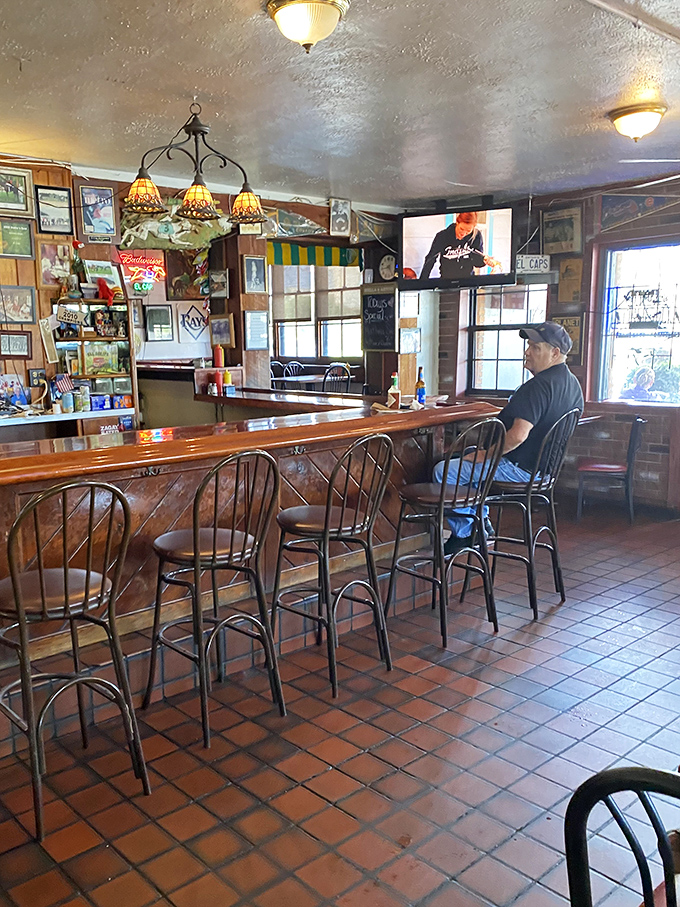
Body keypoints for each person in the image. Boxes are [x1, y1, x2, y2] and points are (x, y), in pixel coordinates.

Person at [434, 321, 584, 554]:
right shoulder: (574, 386)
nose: (527, 351)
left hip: (519, 467)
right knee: (467, 460)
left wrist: (486, 454)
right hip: (545, 470)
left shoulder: (537, 387)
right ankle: (480, 522)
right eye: (529, 346)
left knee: (444, 472)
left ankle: (466, 533)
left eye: (535, 347)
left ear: (555, 353)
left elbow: (517, 436)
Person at [420, 211, 499, 280]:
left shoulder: (476, 236)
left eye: (468, 231)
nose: (463, 234)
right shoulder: (442, 236)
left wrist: (484, 261)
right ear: (457, 222)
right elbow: (430, 259)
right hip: (446, 280)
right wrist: (423, 282)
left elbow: (477, 262)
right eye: (461, 229)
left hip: (468, 280)